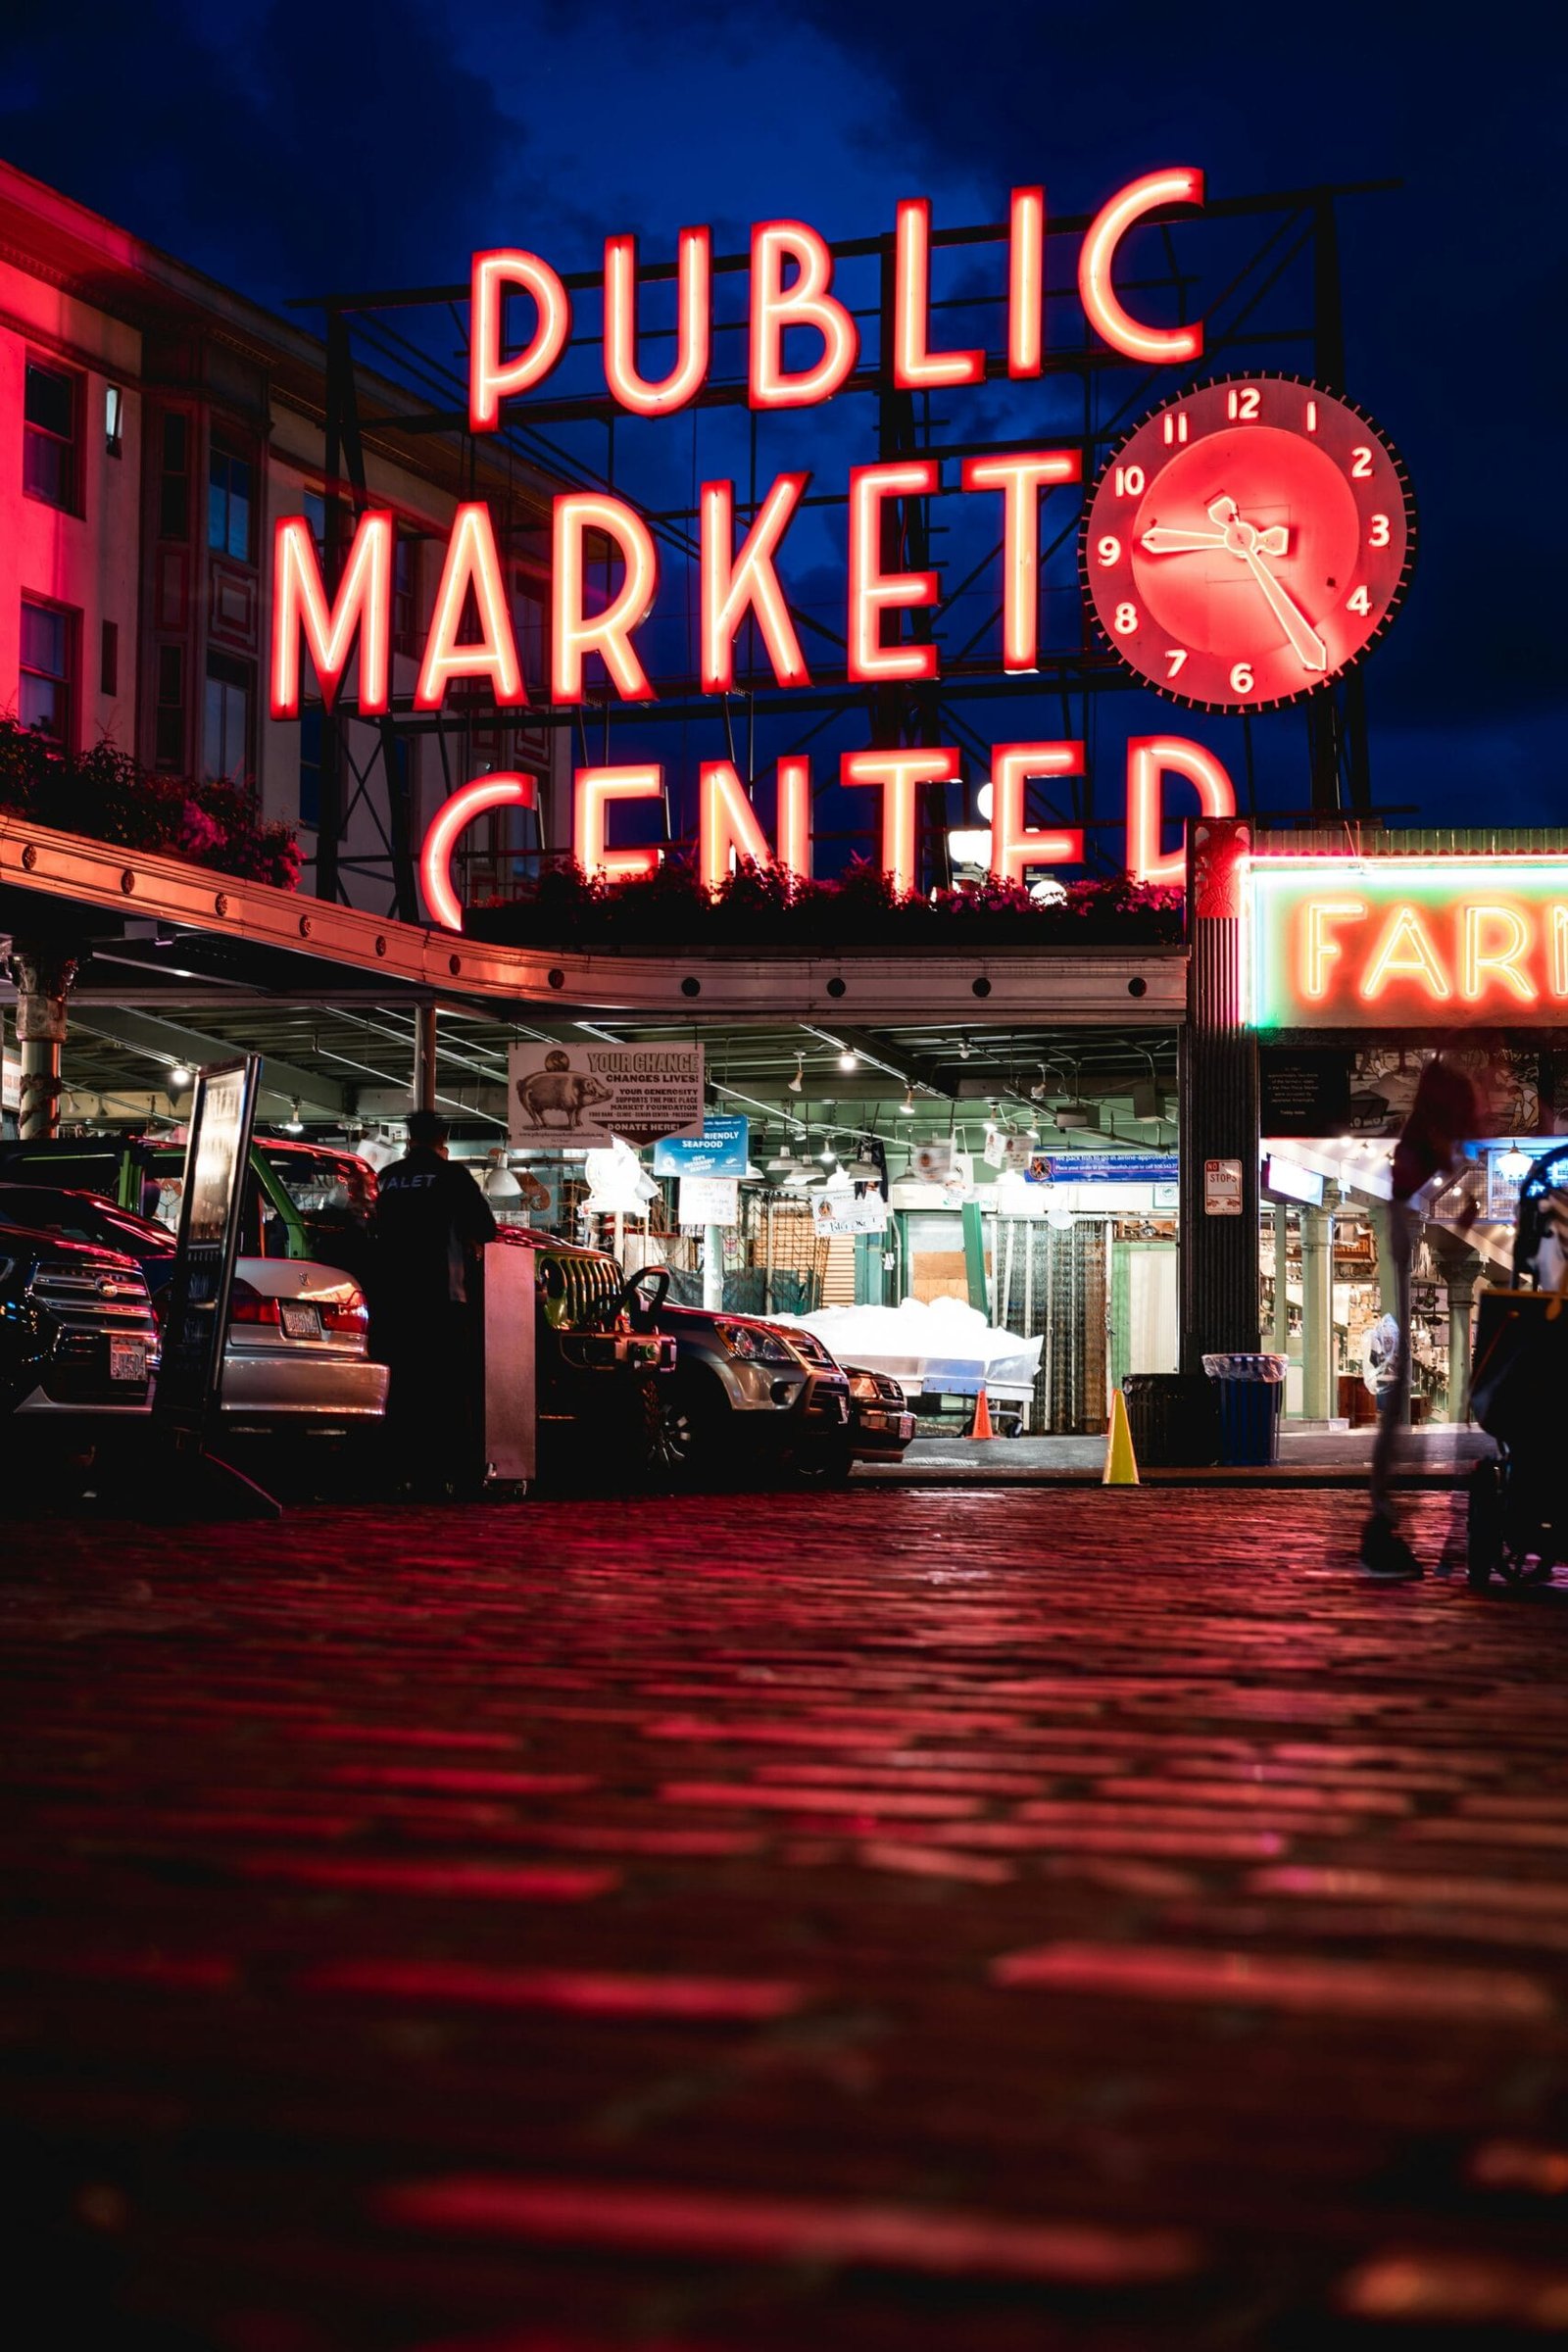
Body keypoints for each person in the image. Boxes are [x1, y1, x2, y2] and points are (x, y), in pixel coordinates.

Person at [369, 1108, 497, 1499]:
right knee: (445, 1388)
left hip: (392, 1301)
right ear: (443, 1143)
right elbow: (486, 1229)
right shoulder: (452, 1177)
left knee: (402, 1389)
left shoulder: (388, 1178)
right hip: (442, 1298)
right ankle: (447, 1474)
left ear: (408, 1140)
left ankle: (397, 1472)